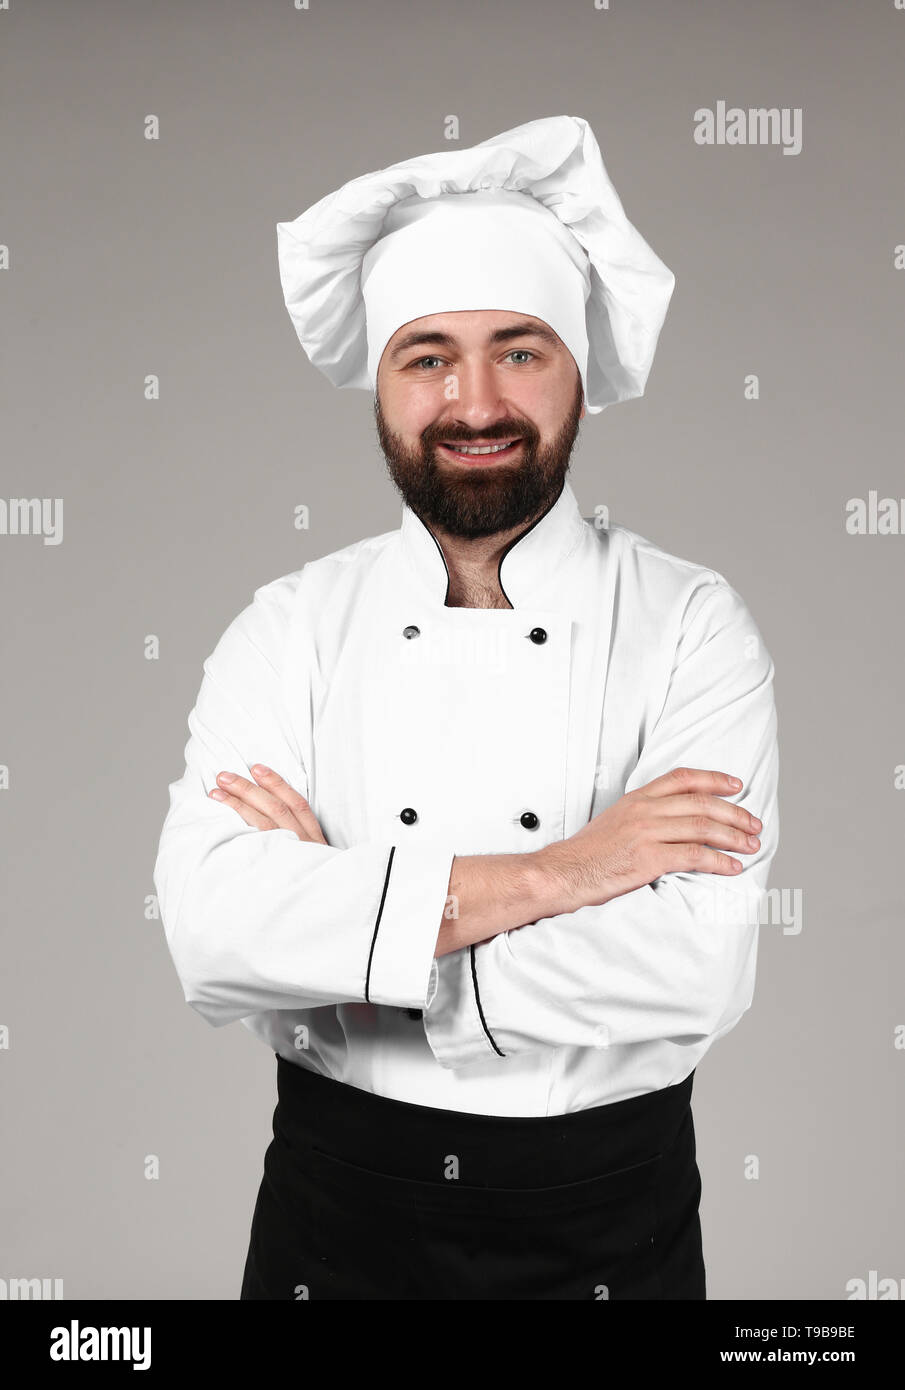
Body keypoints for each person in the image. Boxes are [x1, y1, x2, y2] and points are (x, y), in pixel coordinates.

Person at [152, 115, 779, 1301]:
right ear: (381, 384)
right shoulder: (289, 625)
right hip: (337, 1214)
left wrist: (352, 929)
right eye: (428, 354)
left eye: (520, 350)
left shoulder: (694, 622)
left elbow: (695, 967)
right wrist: (571, 871)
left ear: (577, 369)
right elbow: (210, 934)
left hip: (609, 1216)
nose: (474, 399)